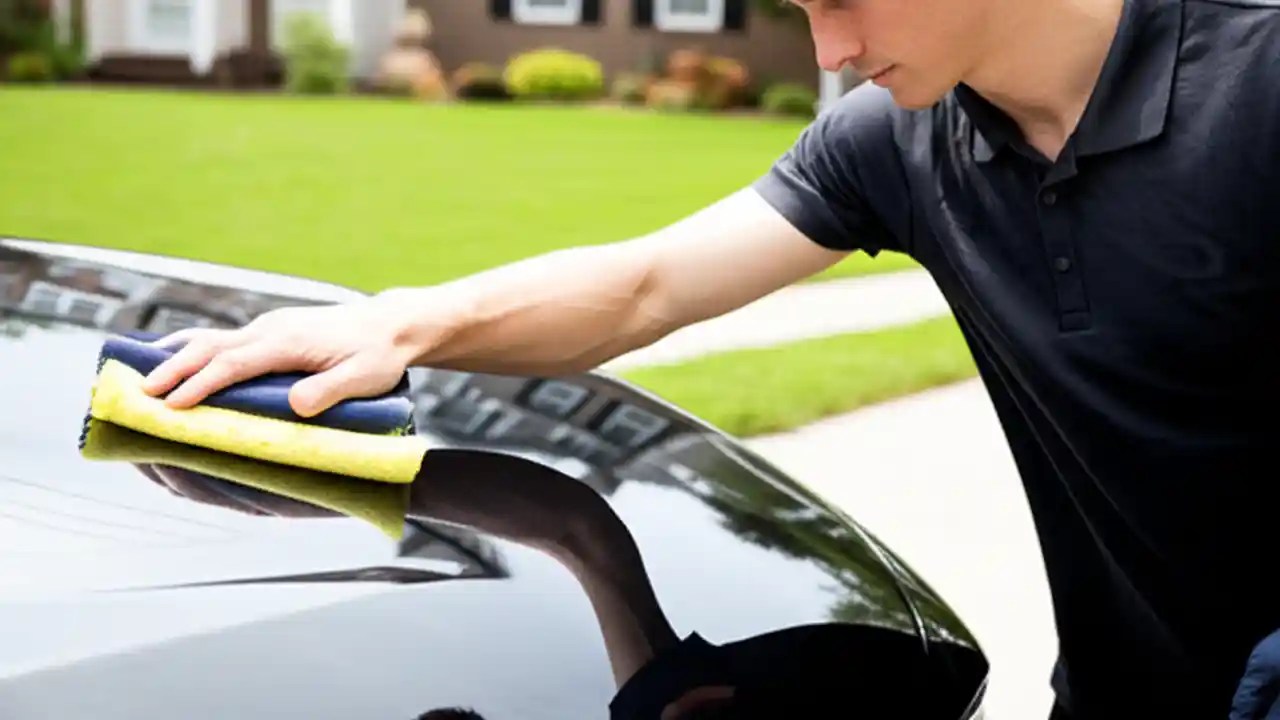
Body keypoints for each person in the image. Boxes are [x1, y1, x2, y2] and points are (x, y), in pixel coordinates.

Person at [139, 0, 1280, 716]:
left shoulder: (1259, 83)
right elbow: (645, 284)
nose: (829, 50)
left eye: (839, 1)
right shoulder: (894, 141)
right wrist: (399, 324)